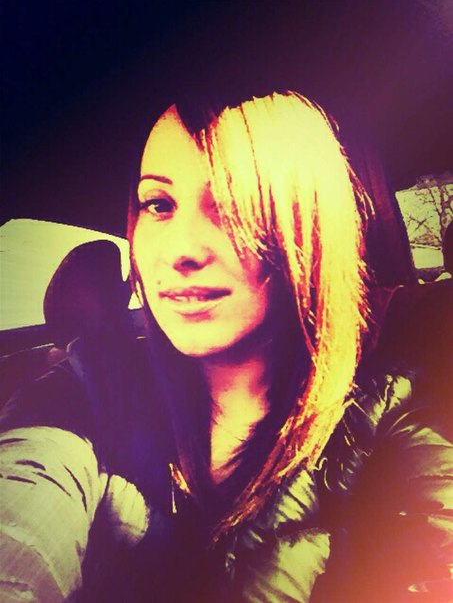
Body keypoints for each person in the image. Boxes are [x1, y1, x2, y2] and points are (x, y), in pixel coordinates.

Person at [1, 90, 451, 602]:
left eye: (233, 206)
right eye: (159, 205)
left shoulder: (400, 423)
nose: (182, 250)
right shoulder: (84, 394)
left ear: (306, 230)